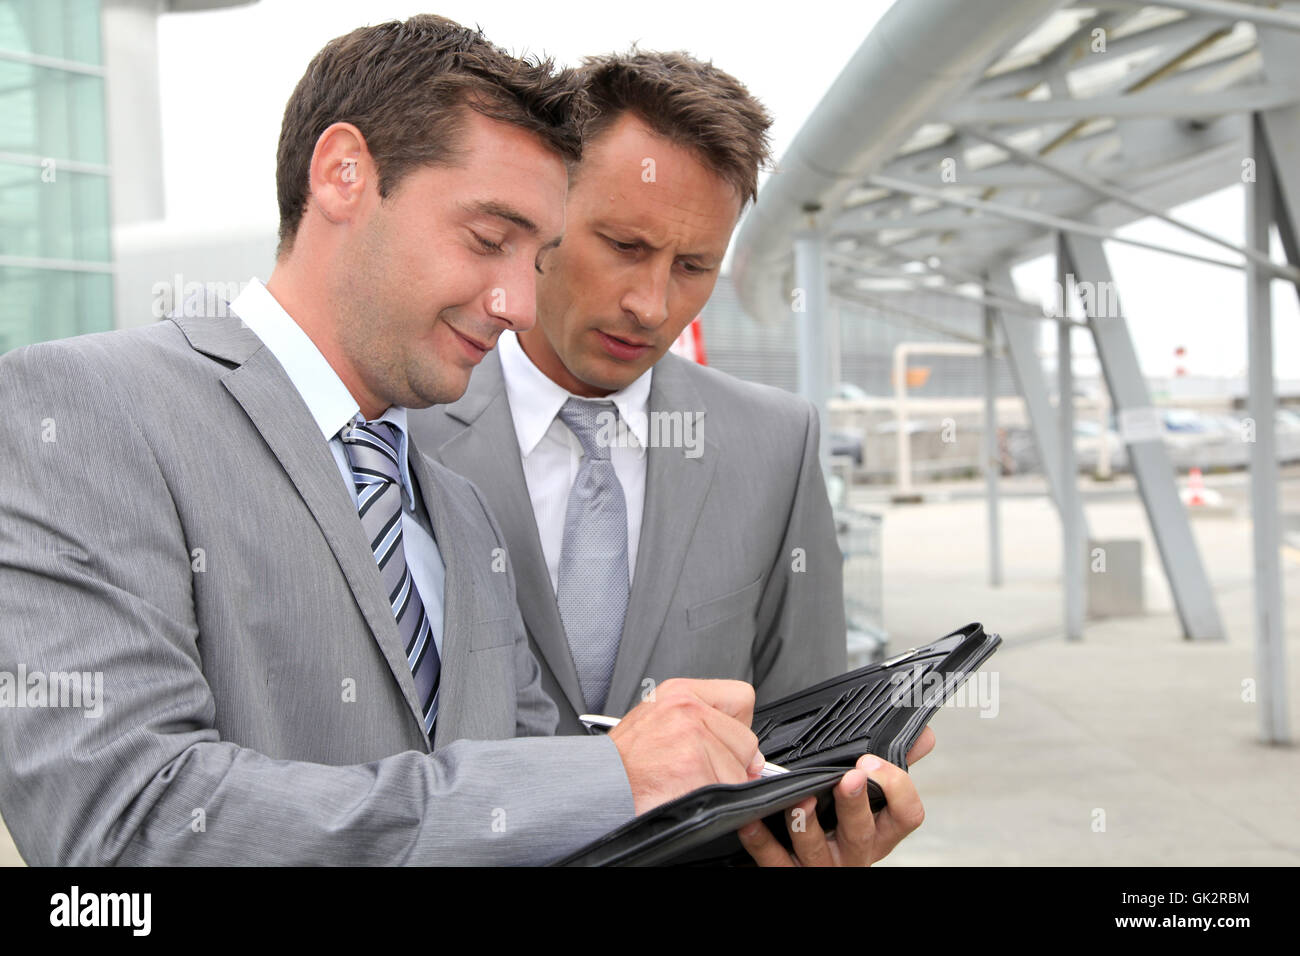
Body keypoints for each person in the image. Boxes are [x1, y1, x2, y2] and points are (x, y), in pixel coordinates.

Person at [0, 16, 923, 867]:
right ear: (342, 175)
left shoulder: (456, 510)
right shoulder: (84, 408)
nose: (517, 302)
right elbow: (122, 823)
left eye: (535, 256)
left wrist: (766, 795)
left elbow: (530, 803)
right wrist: (613, 775)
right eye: (490, 239)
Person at [407, 49, 925, 867]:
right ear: (545, 213)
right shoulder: (403, 427)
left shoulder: (775, 444)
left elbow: (800, 737)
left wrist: (827, 829)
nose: (652, 306)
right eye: (622, 244)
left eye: (693, 267)